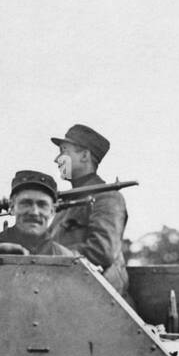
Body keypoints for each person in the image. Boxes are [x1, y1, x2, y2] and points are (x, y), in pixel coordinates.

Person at [46, 124, 129, 294]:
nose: (57, 159)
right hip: (68, 291)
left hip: (99, 300)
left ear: (84, 155)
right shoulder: (65, 201)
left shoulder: (108, 197)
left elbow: (102, 252)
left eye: (64, 151)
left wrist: (50, 254)